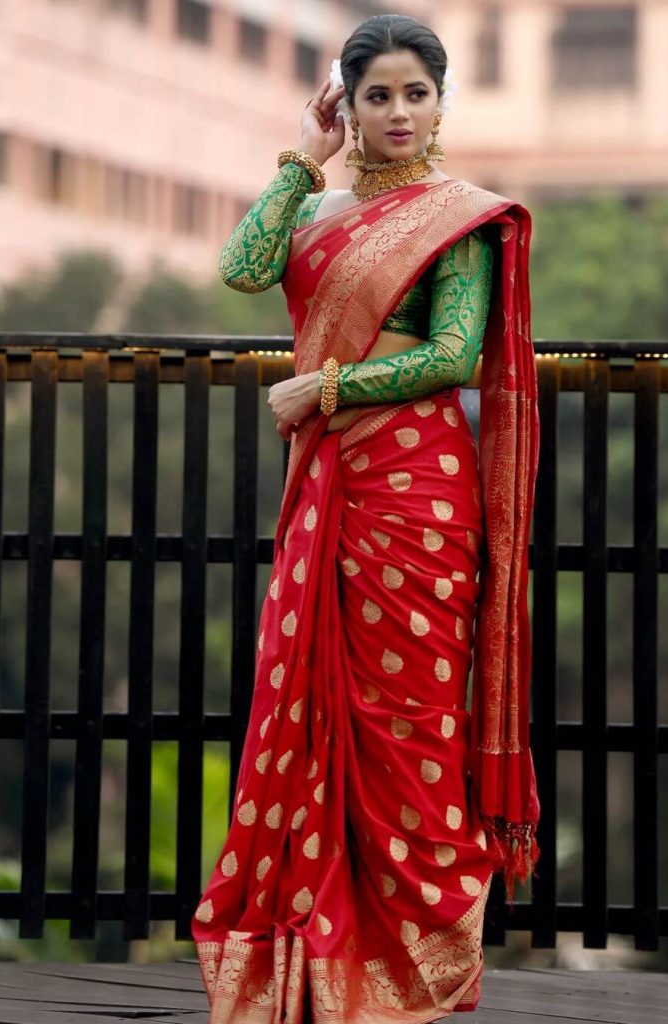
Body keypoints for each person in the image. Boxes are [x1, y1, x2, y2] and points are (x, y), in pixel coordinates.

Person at [192, 13, 540, 1022]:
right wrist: (303, 157)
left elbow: (452, 352)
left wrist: (326, 387)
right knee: (308, 712)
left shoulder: (460, 219)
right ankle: (315, 958)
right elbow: (243, 267)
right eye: (375, 95)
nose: (396, 113)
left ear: (441, 103)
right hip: (330, 478)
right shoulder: (318, 207)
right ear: (350, 104)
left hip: (415, 492)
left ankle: (421, 968)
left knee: (407, 725)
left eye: (414, 94)